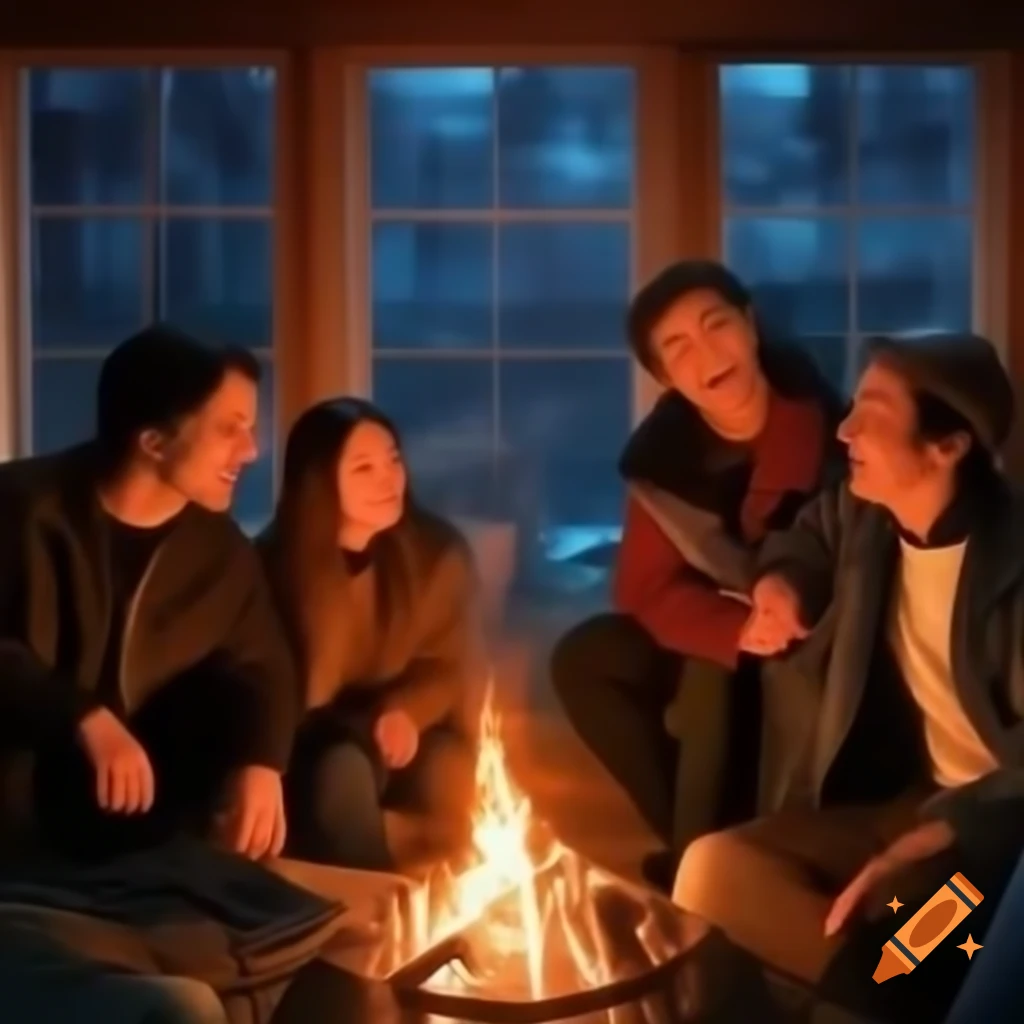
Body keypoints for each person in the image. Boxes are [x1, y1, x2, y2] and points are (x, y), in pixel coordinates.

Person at [673, 333, 1024, 1023]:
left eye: (873, 410)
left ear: (947, 445)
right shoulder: (865, 514)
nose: (845, 428)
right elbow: (806, 537)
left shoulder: (1014, 558)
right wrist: (782, 585)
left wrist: (944, 831)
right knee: (708, 871)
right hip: (907, 803)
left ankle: (876, 991)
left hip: (997, 838)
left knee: (908, 951)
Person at [551, 260, 839, 889]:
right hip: (729, 627)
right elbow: (642, 589)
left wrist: (778, 606)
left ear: (751, 324)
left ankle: (703, 863)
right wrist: (735, 629)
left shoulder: (825, 417)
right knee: (586, 657)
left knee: (711, 684)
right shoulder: (664, 460)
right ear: (665, 377)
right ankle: (695, 851)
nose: (706, 353)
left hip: (816, 622)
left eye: (717, 326)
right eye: (678, 349)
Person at [0, 324, 297, 864]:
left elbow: (265, 664)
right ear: (153, 442)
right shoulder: (21, 508)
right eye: (229, 429)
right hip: (23, 800)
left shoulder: (222, 550)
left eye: (251, 428)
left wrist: (261, 761)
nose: (251, 450)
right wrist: (81, 716)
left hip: (147, 815)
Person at [258, 398, 481, 872]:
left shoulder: (435, 553)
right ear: (320, 480)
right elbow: (278, 692)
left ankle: (455, 911)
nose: (388, 479)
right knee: (341, 771)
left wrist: (403, 711)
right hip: (315, 741)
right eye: (363, 468)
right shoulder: (273, 566)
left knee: (451, 772)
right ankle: (376, 918)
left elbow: (446, 665)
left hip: (403, 730)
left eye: (394, 459)